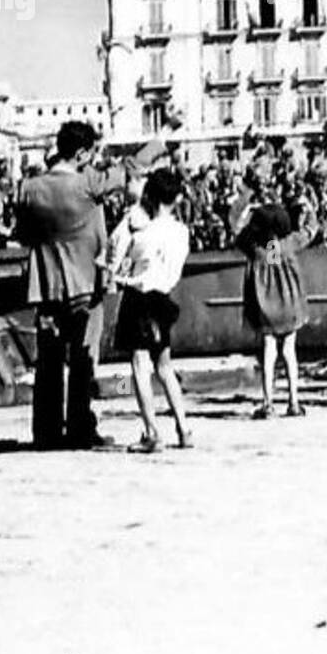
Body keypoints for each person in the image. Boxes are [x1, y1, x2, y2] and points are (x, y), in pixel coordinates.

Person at [16, 121, 164, 450]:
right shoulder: (89, 183)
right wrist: (165, 129)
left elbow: (21, 234)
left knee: (49, 361)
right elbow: (135, 165)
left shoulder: (29, 188)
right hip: (86, 281)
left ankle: (47, 431)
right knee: (83, 359)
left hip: (47, 284)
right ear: (82, 153)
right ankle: (80, 427)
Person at [109, 168, 192, 453]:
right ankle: (183, 427)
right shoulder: (182, 232)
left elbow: (115, 259)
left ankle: (151, 431)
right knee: (165, 367)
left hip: (138, 298)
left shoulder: (140, 231)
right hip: (164, 299)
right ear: (178, 198)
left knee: (139, 367)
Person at [232, 193, 316, 419]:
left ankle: (268, 402)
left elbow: (237, 233)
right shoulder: (290, 244)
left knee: (268, 353)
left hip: (265, 306)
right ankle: (294, 402)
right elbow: (311, 230)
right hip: (290, 305)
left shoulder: (255, 249)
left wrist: (245, 211)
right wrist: (309, 208)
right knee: (290, 352)